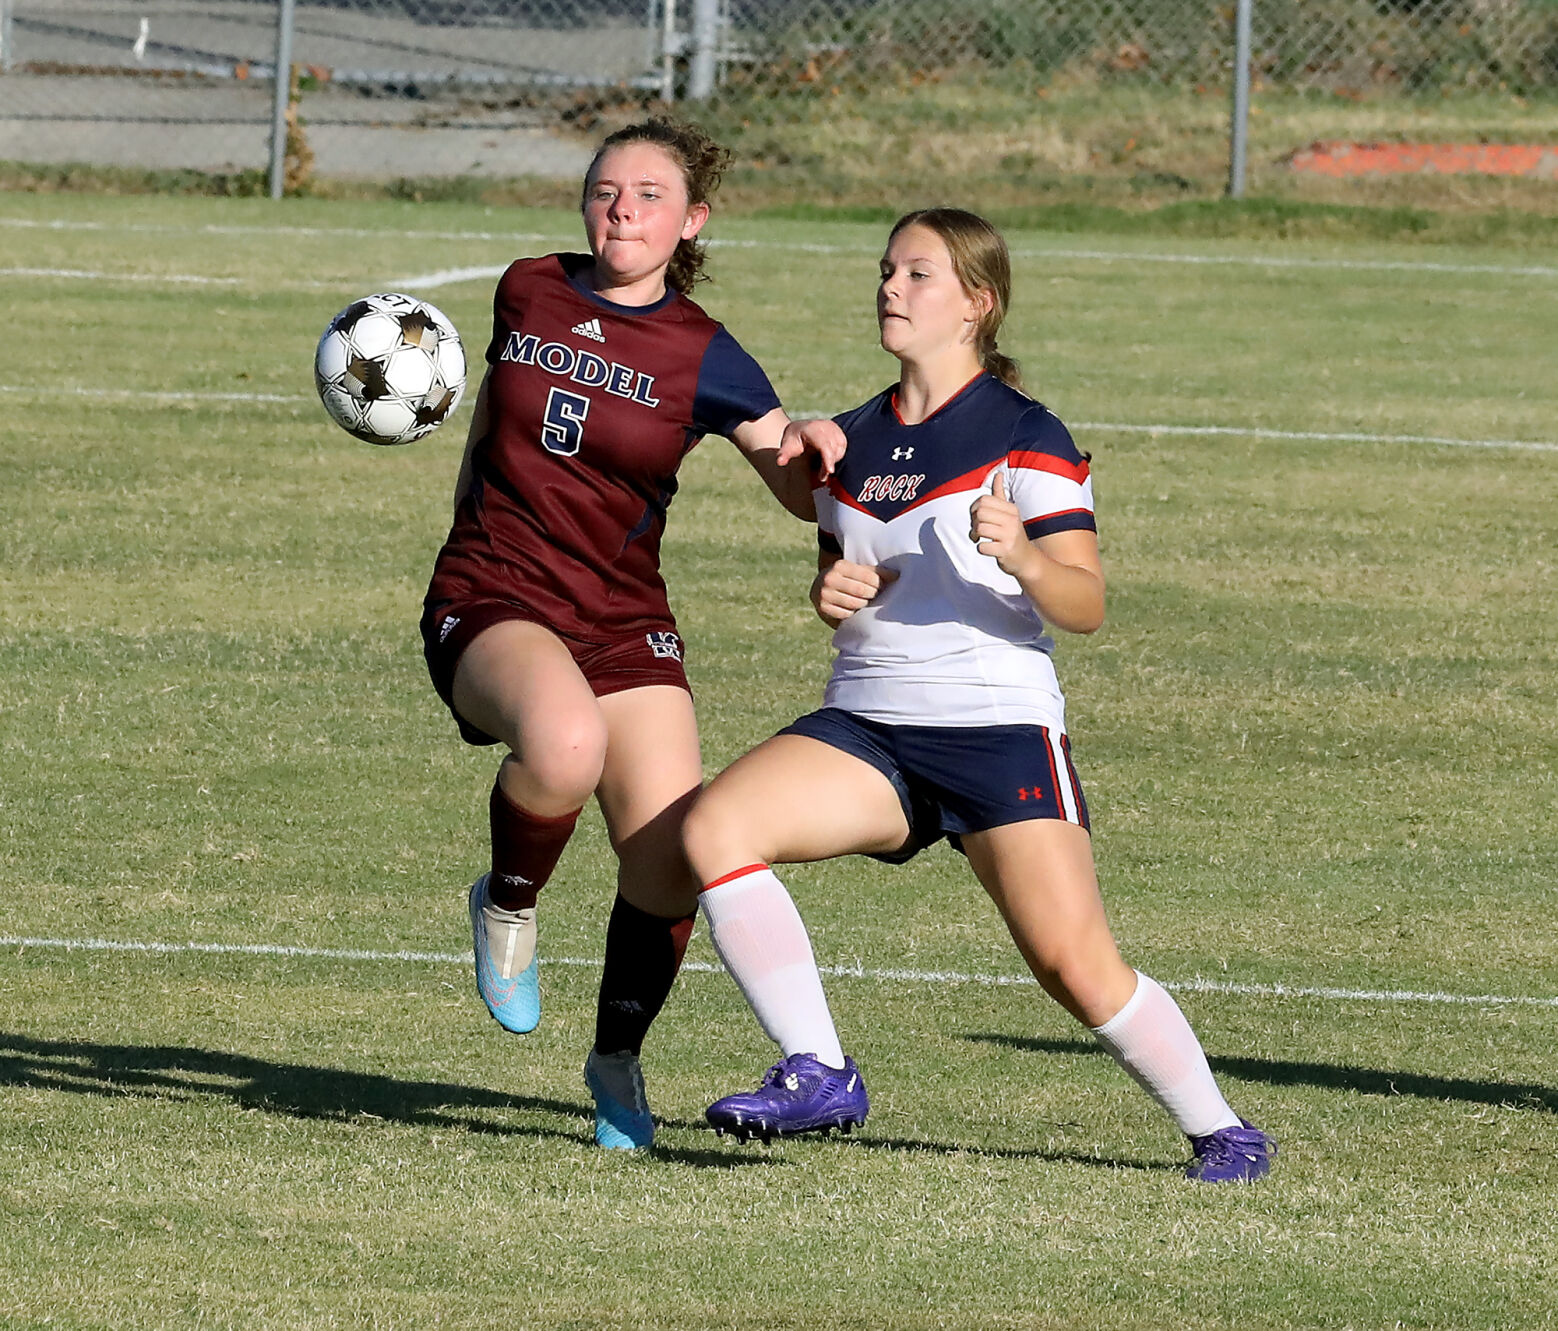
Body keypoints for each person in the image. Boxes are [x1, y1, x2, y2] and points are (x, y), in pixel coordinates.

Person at [681, 208, 1274, 1183]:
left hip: (996, 728)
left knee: (1072, 964)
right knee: (715, 828)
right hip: (869, 721)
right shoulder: (853, 437)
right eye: (885, 269)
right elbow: (853, 580)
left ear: (975, 303)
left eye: (917, 274)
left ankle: (1221, 1128)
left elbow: (1083, 602)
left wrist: (1028, 557)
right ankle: (819, 1068)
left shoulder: (1023, 432)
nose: (889, 287)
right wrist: (833, 591)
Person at [420, 117, 844, 1152]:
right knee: (564, 745)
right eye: (606, 190)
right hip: (494, 590)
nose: (623, 210)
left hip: (620, 614)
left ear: (690, 219)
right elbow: (489, 423)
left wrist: (823, 450)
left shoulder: (704, 351)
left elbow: (792, 482)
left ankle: (614, 1056)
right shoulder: (528, 288)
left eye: (650, 195)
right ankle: (508, 902)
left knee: (671, 853)